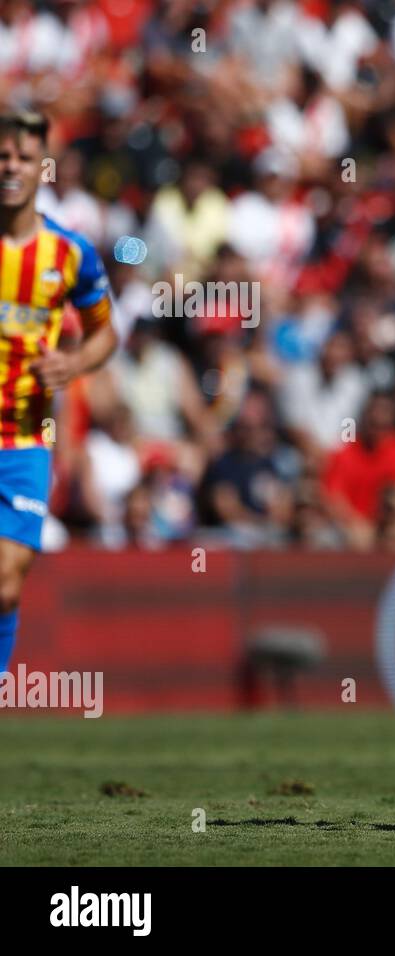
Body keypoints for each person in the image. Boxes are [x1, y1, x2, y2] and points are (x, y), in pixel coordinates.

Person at [0, 111, 118, 672]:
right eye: (2, 156)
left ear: (43, 166)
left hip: (23, 439)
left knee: (4, 585)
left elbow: (105, 334)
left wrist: (71, 365)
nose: (11, 167)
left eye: (23, 157)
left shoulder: (70, 254)